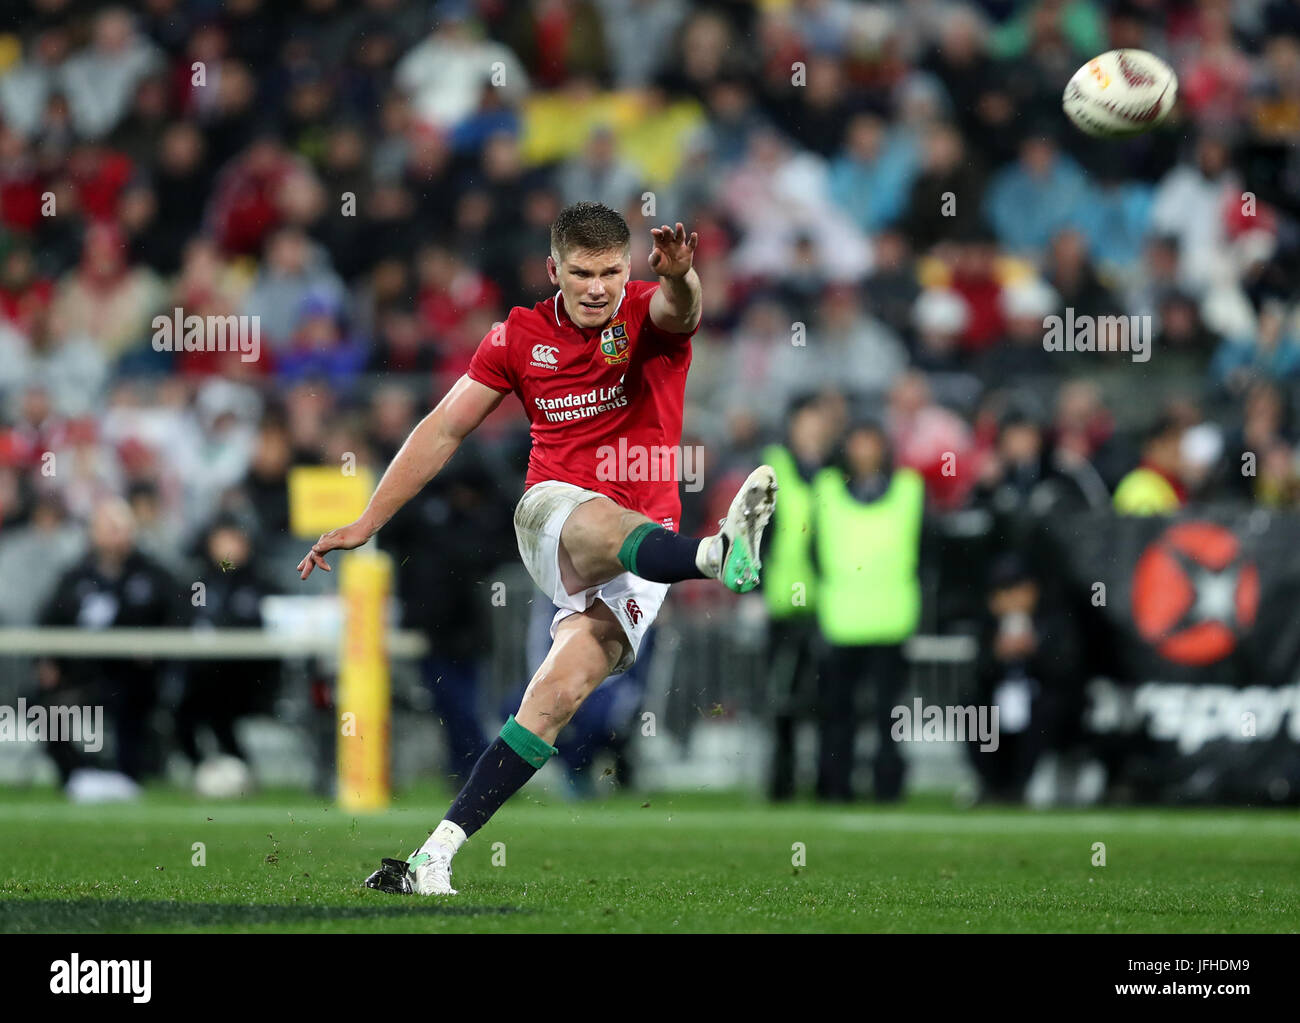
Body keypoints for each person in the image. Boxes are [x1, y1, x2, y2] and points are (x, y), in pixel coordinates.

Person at [298, 202, 778, 896]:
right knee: (598, 519)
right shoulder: (515, 337)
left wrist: (684, 278)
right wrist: (369, 517)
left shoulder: (648, 311)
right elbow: (441, 429)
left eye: (612, 271)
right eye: (581, 272)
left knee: (553, 697)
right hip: (554, 516)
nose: (597, 287)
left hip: (646, 553)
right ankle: (714, 555)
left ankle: (432, 859)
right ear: (553, 269)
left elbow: (681, 307)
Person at [811, 419, 923, 802]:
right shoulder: (827, 488)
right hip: (841, 618)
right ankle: (835, 786)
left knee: (887, 714)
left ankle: (887, 785)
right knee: (838, 713)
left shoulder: (909, 490)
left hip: (891, 619)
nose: (865, 452)